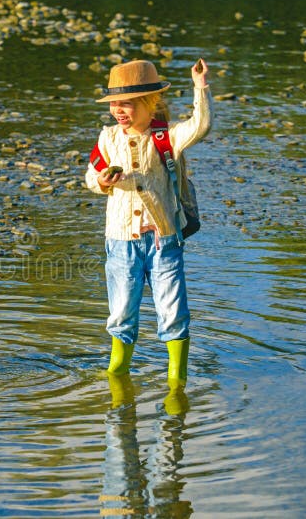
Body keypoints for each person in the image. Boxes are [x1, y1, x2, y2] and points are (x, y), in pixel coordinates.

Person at [84, 58, 212, 388]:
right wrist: (104, 180)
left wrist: (200, 87)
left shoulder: (166, 136)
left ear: (149, 103)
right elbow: (90, 177)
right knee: (122, 310)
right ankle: (118, 372)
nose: (118, 110)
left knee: (173, 309)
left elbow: (200, 126)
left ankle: (176, 378)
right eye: (114, 104)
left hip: (164, 240)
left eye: (126, 104)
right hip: (120, 241)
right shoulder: (108, 138)